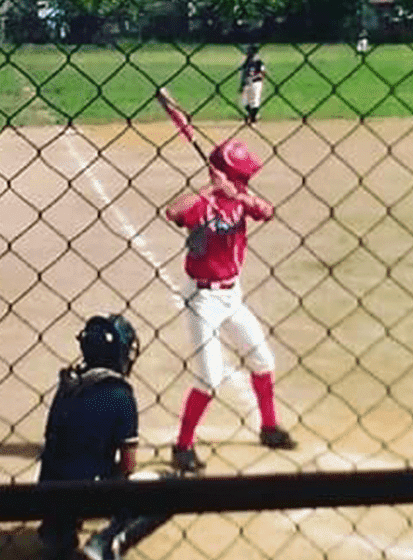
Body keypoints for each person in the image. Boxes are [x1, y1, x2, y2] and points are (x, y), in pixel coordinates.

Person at [166, 138, 296, 475]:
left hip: (231, 296)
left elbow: (267, 212)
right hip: (202, 299)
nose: (246, 181)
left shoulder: (240, 202)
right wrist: (209, 189)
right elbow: (173, 211)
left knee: (262, 360)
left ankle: (269, 427)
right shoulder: (203, 204)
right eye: (241, 176)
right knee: (210, 377)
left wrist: (235, 194)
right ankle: (182, 447)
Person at [39, 314, 169, 560]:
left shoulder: (67, 383)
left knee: (71, 462)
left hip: (48, 491)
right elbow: (128, 464)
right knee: (168, 487)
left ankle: (58, 533)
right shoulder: (121, 394)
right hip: (92, 491)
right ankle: (104, 543)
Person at [239, 44, 266, 124]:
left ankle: (253, 118)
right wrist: (242, 84)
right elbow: (243, 74)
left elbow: (263, 72)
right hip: (247, 83)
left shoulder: (258, 62)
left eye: (249, 51)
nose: (248, 52)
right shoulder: (246, 62)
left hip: (256, 82)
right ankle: (251, 114)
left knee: (254, 101)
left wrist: (259, 80)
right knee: (245, 101)